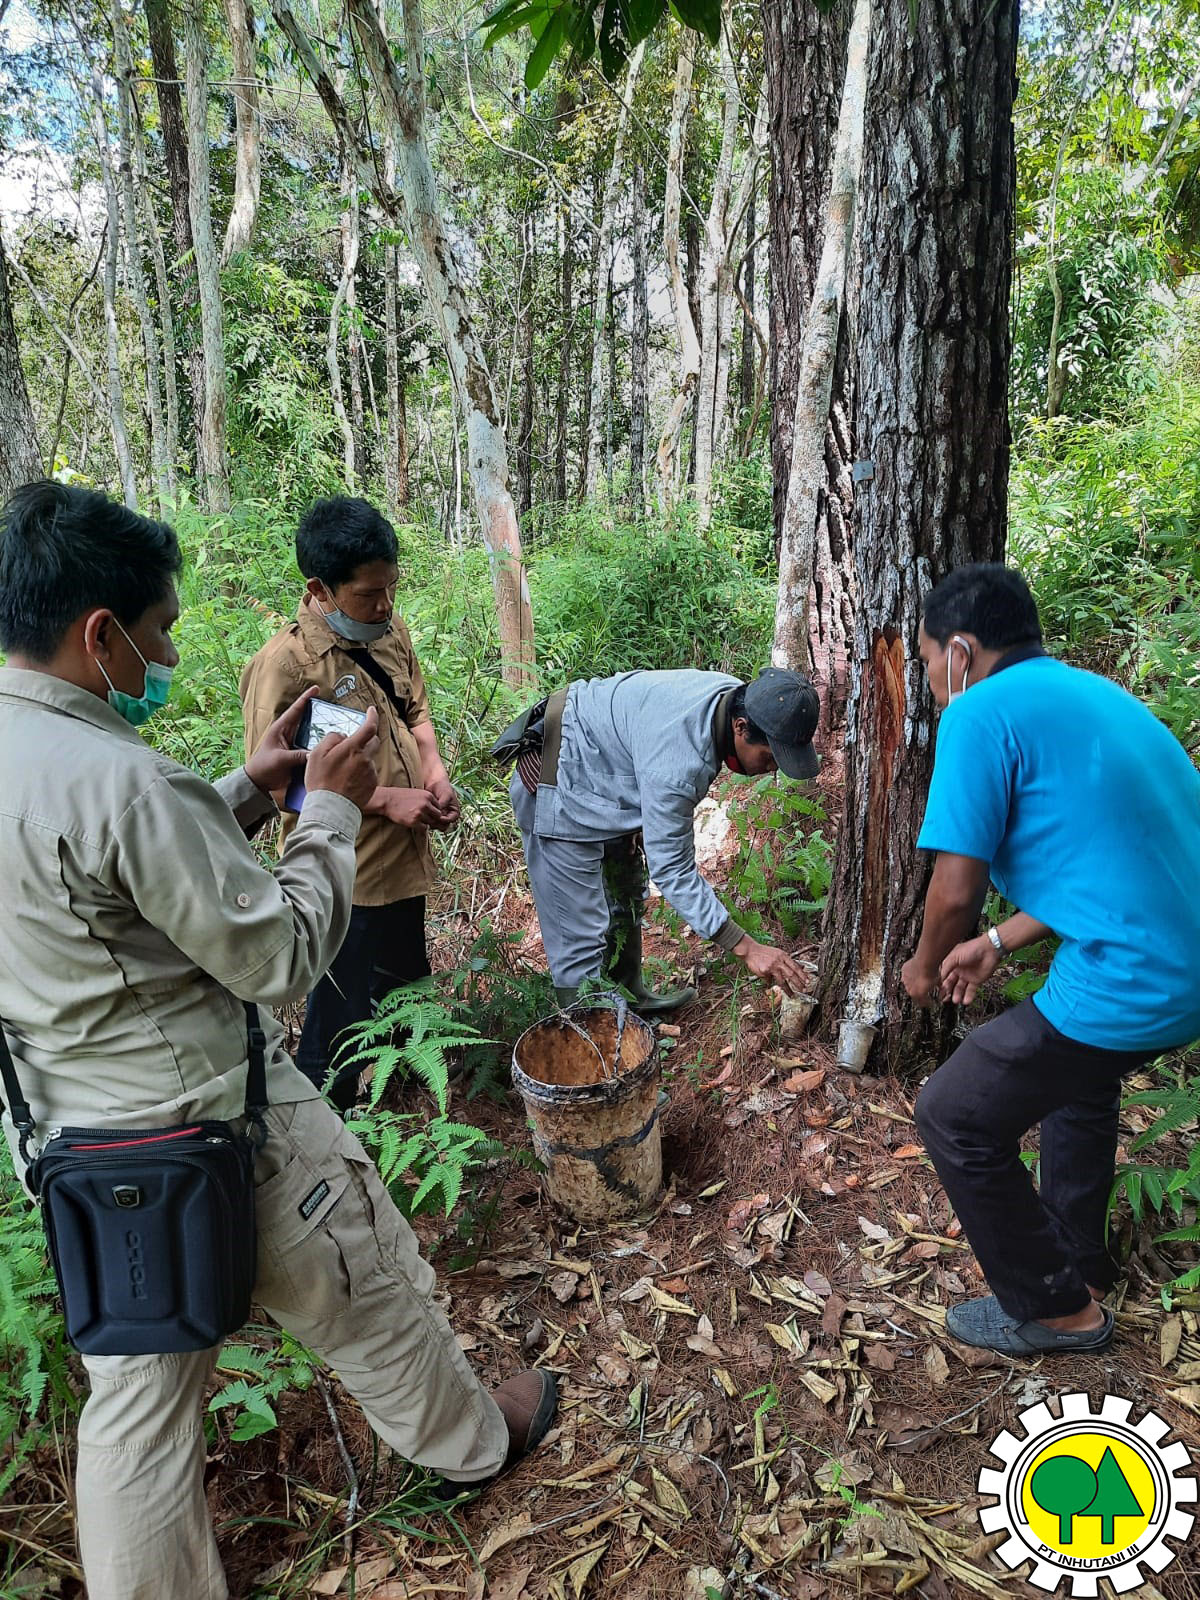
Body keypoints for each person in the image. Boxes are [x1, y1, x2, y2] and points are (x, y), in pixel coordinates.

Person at [0, 482, 555, 1600]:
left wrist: (248, 789)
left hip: (76, 1145)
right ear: (98, 632)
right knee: (364, 1275)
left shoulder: (49, 760)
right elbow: (276, 956)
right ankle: (471, 1444)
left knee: (140, 1407)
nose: (165, 653)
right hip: (213, 1123)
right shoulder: (123, 775)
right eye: (156, 631)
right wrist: (333, 810)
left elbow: (109, 882)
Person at [901, 562, 1200, 1356]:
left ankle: (1059, 1311)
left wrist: (925, 967)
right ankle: (1078, 1263)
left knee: (953, 1113)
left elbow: (954, 887)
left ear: (960, 652)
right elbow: (1108, 862)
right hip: (1182, 959)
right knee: (1080, 1084)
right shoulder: (1093, 697)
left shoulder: (980, 714)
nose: (929, 677)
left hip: (1137, 977)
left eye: (928, 657)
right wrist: (998, 942)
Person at [240, 496, 458, 1111]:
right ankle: (332, 1126)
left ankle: (402, 1107)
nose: (384, 606)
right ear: (321, 590)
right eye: (368, 595)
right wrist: (389, 800)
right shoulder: (283, 668)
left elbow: (414, 708)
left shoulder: (390, 630)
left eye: (391, 588)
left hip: (403, 864)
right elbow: (279, 785)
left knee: (405, 996)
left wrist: (434, 772)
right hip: (344, 876)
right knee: (339, 1017)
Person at [503, 666, 821, 1010]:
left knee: (625, 887)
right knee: (579, 936)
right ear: (740, 728)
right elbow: (673, 871)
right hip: (558, 780)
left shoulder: (732, 698)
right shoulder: (679, 763)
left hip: (600, 762)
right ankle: (590, 1034)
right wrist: (748, 948)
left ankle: (630, 997)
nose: (772, 769)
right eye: (771, 757)